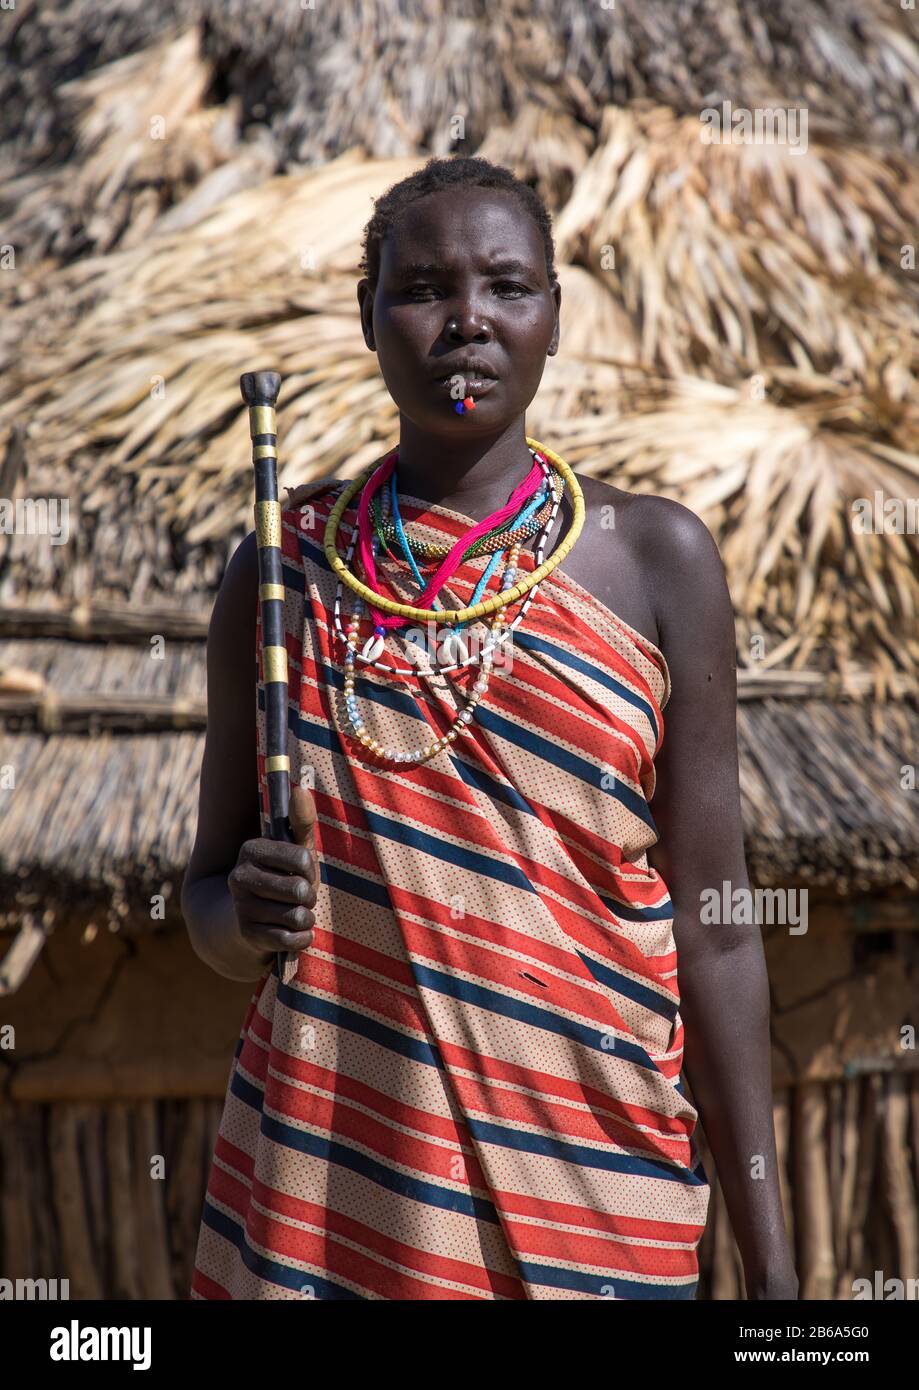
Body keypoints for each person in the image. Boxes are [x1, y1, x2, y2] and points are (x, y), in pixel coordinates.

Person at [182, 155, 797, 1300]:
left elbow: (716, 927)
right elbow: (210, 902)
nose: (466, 319)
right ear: (369, 319)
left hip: (603, 1186)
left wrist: (773, 1271)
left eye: (507, 287)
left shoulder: (653, 560)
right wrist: (244, 914)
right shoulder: (281, 579)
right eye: (421, 287)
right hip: (339, 1187)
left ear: (553, 319)